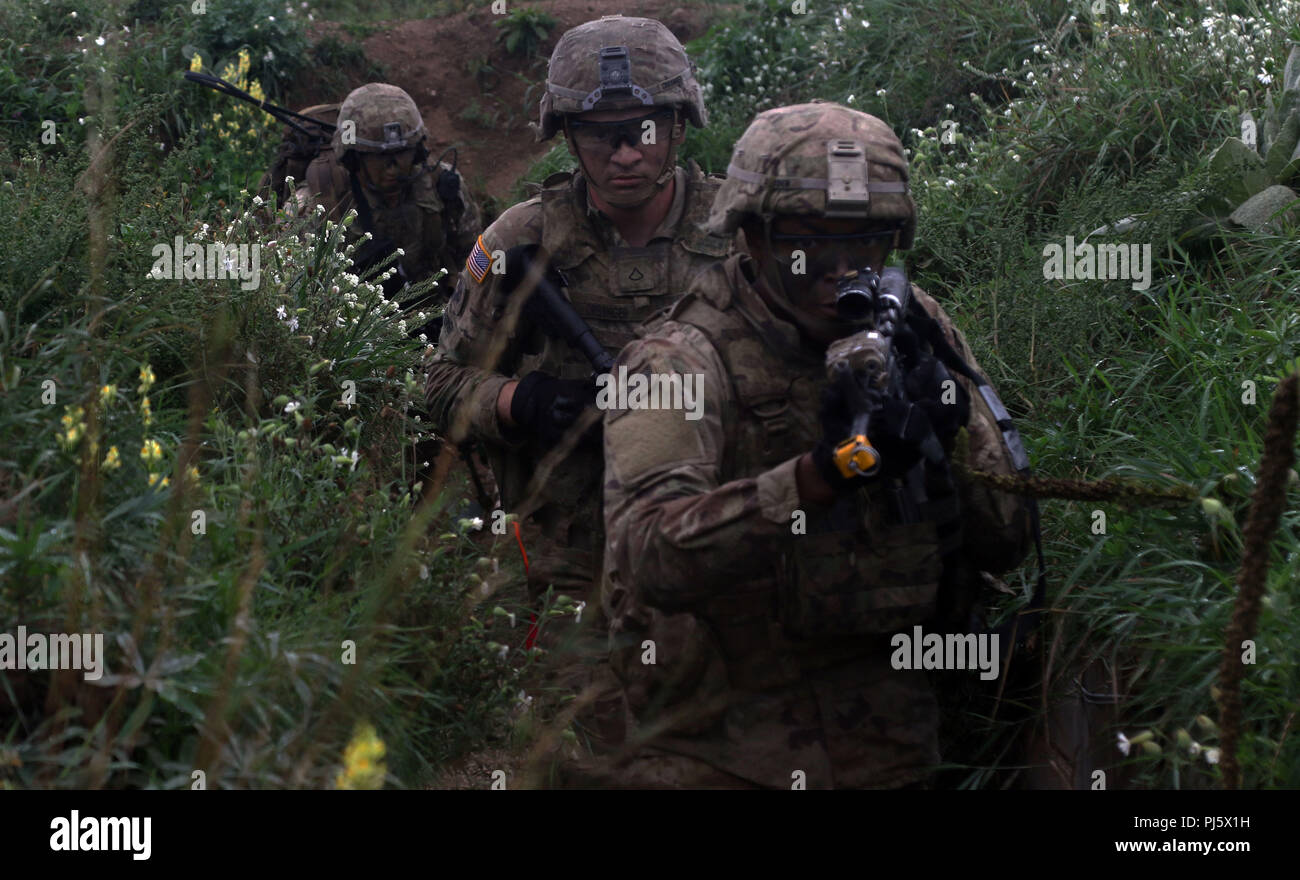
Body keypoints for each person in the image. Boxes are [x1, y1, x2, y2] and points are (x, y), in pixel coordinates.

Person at [592, 102, 1034, 788]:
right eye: (809, 246)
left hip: (893, 742)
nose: (841, 271)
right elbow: (645, 554)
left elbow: (1008, 538)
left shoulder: (914, 325)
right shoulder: (677, 361)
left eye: (868, 244)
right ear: (754, 239)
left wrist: (947, 428)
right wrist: (819, 477)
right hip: (716, 750)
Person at [423, 14, 734, 752]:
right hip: (569, 549)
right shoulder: (520, 241)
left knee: (711, 739)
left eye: (644, 131)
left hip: (710, 534)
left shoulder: (736, 233)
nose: (627, 154)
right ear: (569, 137)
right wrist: (519, 402)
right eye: (602, 135)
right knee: (578, 744)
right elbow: (435, 382)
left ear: (678, 127)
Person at [294, 82, 482, 306]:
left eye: (402, 153)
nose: (393, 168)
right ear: (355, 156)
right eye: (380, 157)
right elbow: (290, 283)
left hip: (433, 311)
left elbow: (474, 254)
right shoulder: (319, 200)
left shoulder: (442, 186)